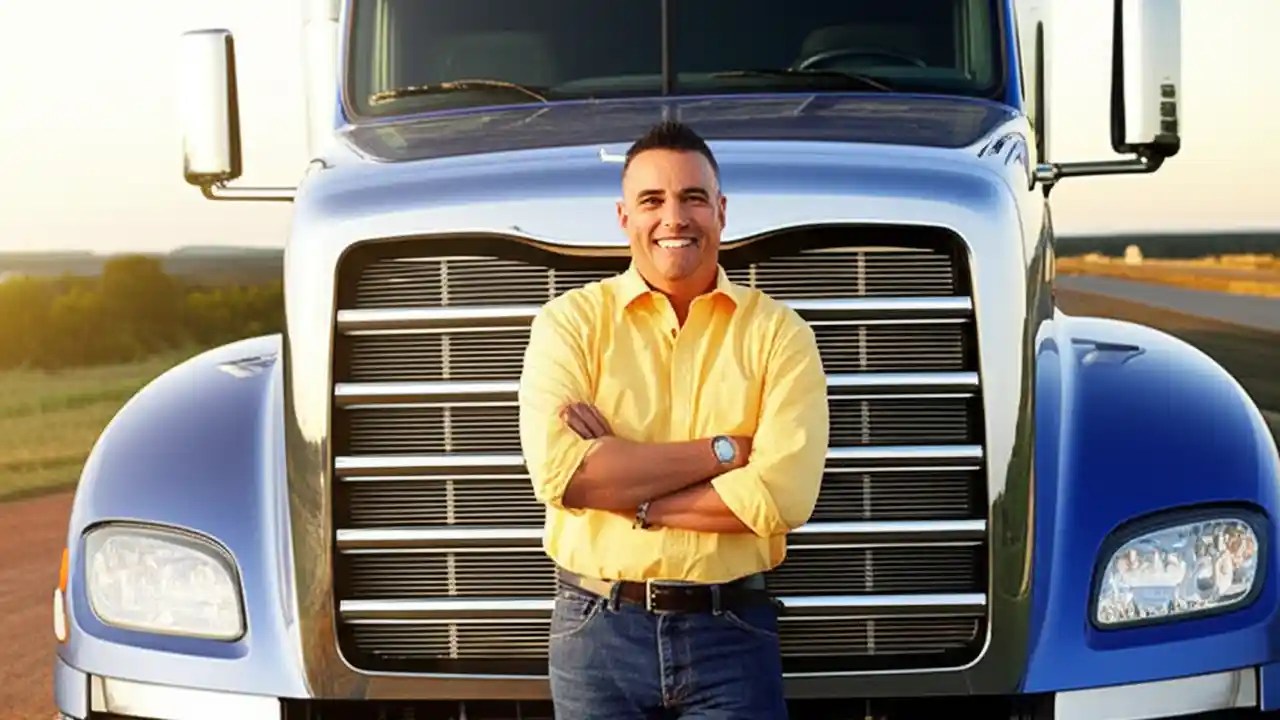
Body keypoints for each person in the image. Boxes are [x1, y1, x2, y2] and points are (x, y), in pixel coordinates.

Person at [517, 120, 830, 719]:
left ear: (721, 210)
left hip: (731, 633)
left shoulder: (778, 334)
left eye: (692, 198)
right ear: (623, 217)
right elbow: (565, 478)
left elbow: (783, 495)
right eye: (651, 200)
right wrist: (723, 452)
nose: (674, 218)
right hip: (595, 634)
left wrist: (629, 491)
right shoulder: (571, 325)